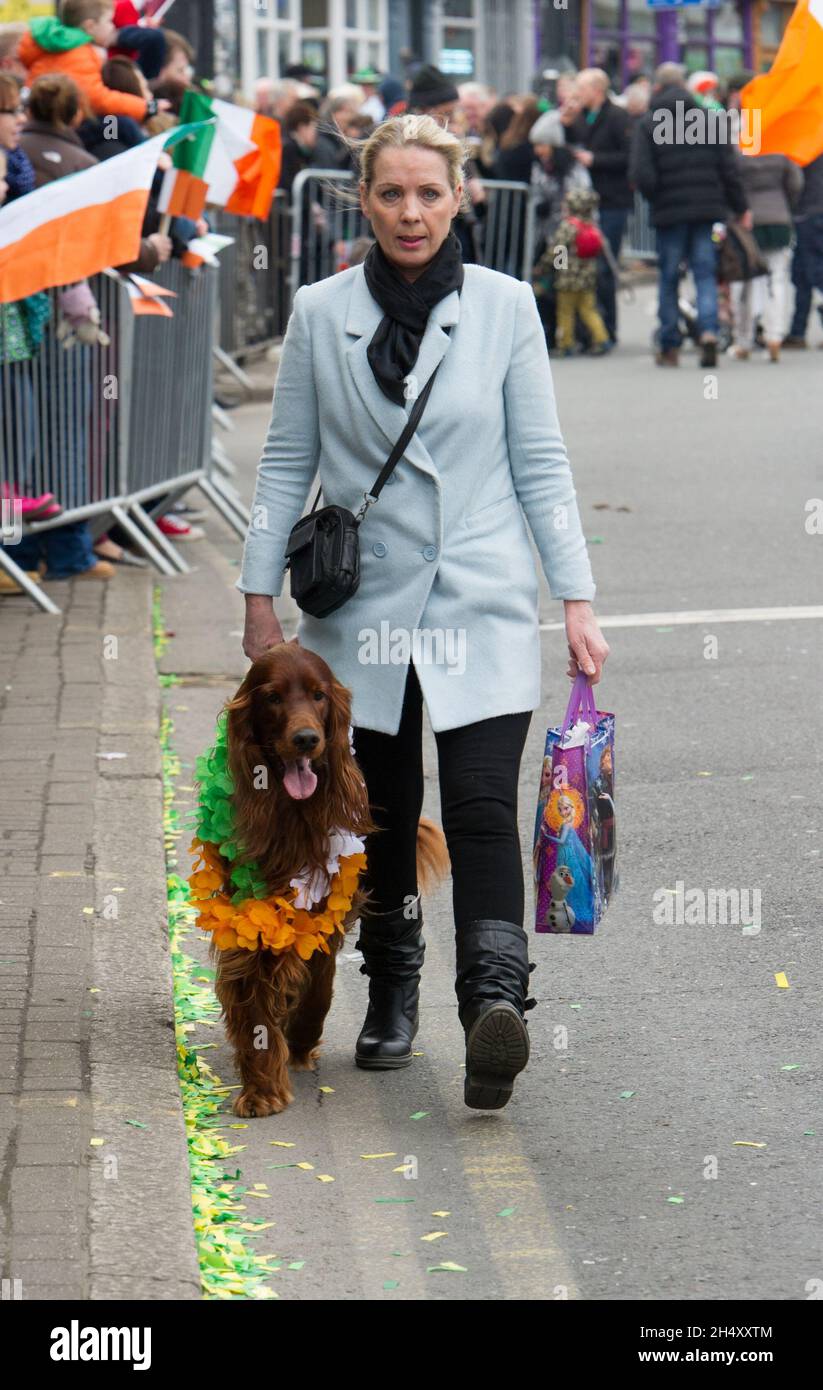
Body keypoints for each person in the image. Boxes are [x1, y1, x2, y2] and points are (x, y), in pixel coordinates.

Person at [236, 113, 608, 1111]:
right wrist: (255, 597)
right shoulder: (320, 312)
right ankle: (390, 987)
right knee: (384, 816)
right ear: (363, 198)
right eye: (391, 194)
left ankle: (495, 1008)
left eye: (429, 194)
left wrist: (576, 596)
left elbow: (541, 462)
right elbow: (283, 461)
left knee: (484, 807)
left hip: (480, 598)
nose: (410, 212)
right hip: (364, 613)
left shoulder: (504, 306)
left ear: (460, 198)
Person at [630, 62, 749, 367]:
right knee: (705, 272)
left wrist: (656, 196)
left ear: (657, 88)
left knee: (669, 276)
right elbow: (729, 170)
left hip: (669, 213)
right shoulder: (709, 121)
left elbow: (641, 173)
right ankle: (708, 331)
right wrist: (740, 207)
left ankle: (670, 343)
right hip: (708, 211)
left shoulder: (649, 123)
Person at [567, 68, 633, 346]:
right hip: (583, 203)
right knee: (583, 264)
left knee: (604, 264)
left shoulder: (618, 117)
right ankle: (587, 329)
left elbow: (628, 156)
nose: (577, 94)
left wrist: (595, 160)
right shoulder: (581, 116)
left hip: (610, 201)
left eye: (581, 89)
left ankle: (608, 328)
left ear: (596, 90)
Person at [17, 0, 161, 124]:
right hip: (58, 122)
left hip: (43, 117)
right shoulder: (78, 53)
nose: (112, 27)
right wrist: (146, 108)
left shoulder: (58, 43)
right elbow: (97, 100)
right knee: (116, 124)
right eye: (109, 21)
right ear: (90, 26)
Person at [730, 151, 803, 362]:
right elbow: (795, 183)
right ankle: (774, 336)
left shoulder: (738, 150)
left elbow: (730, 180)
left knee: (745, 280)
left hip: (747, 220)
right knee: (777, 278)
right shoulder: (781, 151)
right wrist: (785, 205)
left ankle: (744, 338)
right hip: (778, 218)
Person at [536, 187, 610, 357]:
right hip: (588, 279)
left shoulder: (568, 226)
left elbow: (558, 250)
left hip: (568, 280)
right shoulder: (590, 225)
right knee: (588, 310)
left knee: (565, 312)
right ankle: (601, 338)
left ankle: (565, 343)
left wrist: (548, 267)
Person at [783, 152, 823, 349]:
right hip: (810, 212)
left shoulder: (805, 149)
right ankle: (797, 331)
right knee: (802, 274)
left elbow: (795, 183)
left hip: (809, 212)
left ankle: (798, 331)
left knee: (812, 270)